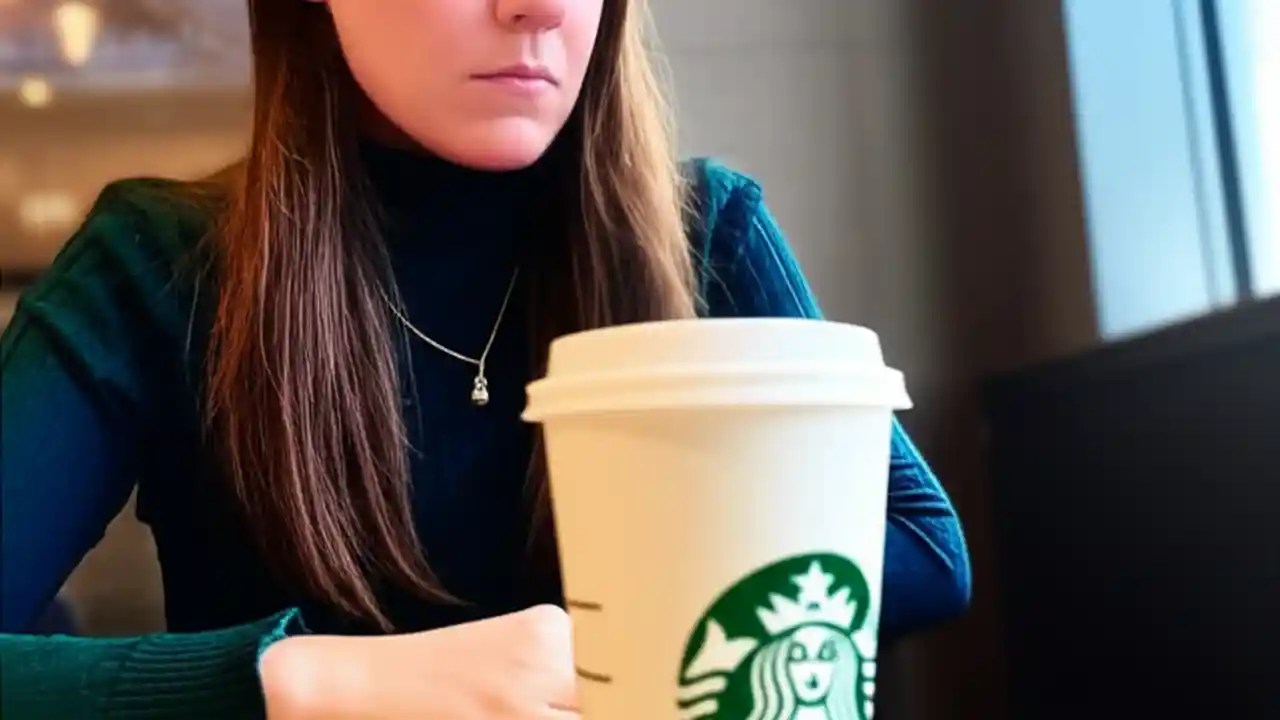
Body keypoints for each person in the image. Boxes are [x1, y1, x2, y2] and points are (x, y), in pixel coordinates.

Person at [0, 0, 972, 717]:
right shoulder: (155, 267)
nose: (539, 9)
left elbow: (925, 552)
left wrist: (605, 644)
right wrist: (318, 682)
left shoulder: (702, 234)